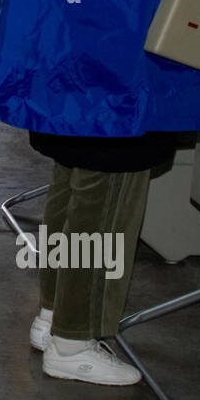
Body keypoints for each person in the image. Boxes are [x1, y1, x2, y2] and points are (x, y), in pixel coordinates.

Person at [26, 130, 183, 386]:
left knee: (72, 178)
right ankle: (72, 344)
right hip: (119, 109)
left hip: (78, 103)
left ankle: (52, 317)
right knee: (106, 194)